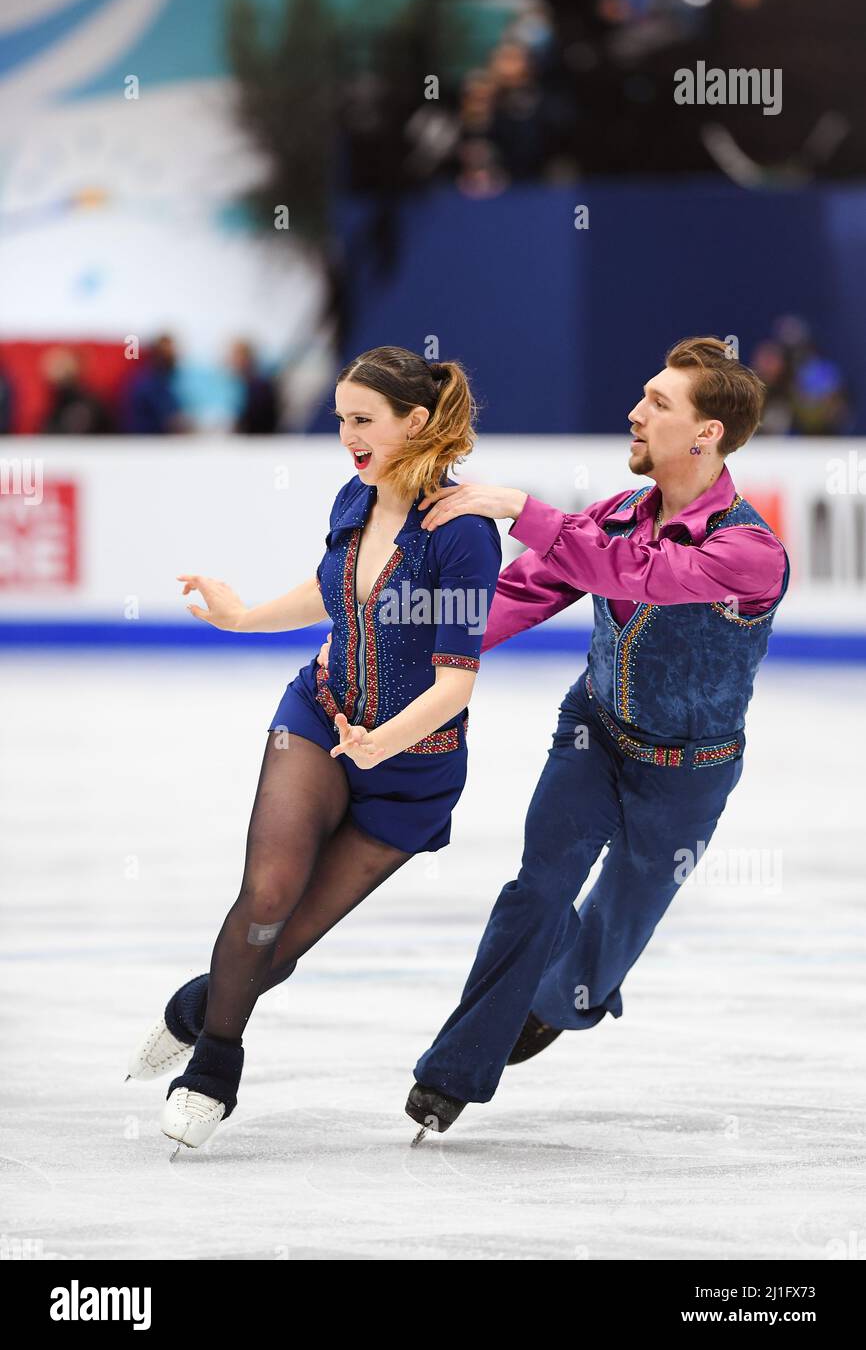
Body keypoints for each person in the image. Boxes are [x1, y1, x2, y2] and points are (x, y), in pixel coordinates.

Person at [395, 336, 790, 1139]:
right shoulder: (615, 515)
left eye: (658, 403)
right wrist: (407, 655)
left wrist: (520, 508)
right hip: (594, 736)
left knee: (599, 955)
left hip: (689, 775)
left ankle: (556, 1001)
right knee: (538, 887)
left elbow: (635, 576)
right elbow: (519, 595)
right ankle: (452, 1074)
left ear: (706, 433)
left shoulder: (749, 550)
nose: (635, 413)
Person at [125, 346, 502, 1153]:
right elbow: (331, 591)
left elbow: (456, 680)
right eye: (340, 420)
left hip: (412, 770)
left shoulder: (464, 533)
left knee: (282, 947)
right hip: (320, 714)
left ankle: (194, 1012)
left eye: (362, 420)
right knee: (266, 896)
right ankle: (213, 1070)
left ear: (417, 421)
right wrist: (241, 616)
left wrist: (382, 743)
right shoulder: (353, 497)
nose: (347, 437)